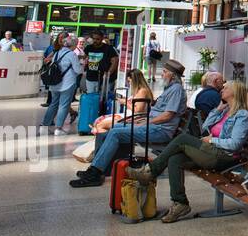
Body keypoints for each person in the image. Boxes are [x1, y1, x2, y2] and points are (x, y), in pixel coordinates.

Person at [126, 80, 248, 224]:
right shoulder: (224, 110)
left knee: (182, 139)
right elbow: (205, 127)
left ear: (234, 92)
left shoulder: (242, 116)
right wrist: (217, 109)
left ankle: (150, 172)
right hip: (212, 152)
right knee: (175, 159)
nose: (222, 89)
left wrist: (212, 141)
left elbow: (234, 144)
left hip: (223, 157)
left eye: (226, 88)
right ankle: (180, 203)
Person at [70, 57, 188, 188]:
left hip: (159, 130)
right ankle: (101, 169)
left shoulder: (176, 89)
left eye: (165, 71)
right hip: (153, 126)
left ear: (172, 75)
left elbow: (168, 115)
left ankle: (95, 173)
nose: (162, 74)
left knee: (115, 133)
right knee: (111, 129)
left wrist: (146, 122)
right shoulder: (170, 88)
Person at [38, 32, 83, 136]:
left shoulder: (58, 52)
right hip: (67, 83)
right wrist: (81, 65)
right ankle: (58, 129)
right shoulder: (72, 55)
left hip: (55, 83)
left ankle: (44, 126)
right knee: (63, 105)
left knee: (53, 104)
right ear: (73, 45)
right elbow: (78, 70)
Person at [92, 69, 154, 134]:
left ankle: (109, 142)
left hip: (135, 118)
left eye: (129, 81)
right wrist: (126, 100)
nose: (129, 83)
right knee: (97, 121)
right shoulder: (139, 90)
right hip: (130, 116)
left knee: (99, 125)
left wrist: (125, 102)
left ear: (135, 80)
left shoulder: (142, 91)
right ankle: (109, 141)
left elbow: (138, 110)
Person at [79, 30, 113, 135]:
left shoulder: (108, 48)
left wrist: (109, 73)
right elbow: (84, 57)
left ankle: (100, 120)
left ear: (102, 38)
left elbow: (115, 60)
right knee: (91, 99)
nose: (95, 41)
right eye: (94, 38)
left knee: (102, 99)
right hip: (90, 76)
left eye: (97, 39)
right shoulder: (89, 48)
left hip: (103, 78)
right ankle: (91, 119)